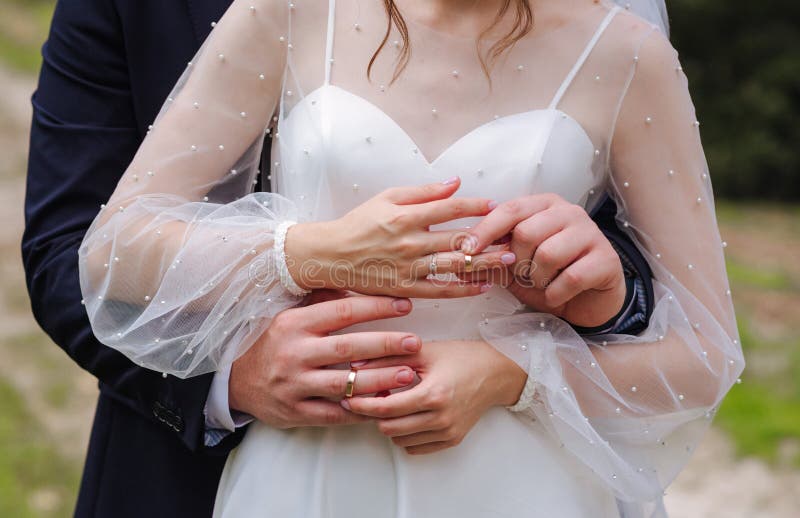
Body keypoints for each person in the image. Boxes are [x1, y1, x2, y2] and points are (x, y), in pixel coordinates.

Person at [23, 0, 655, 516]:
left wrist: (573, 323)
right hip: (212, 469)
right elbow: (72, 251)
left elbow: (625, 244)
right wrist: (232, 374)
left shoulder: (610, 38)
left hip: (513, 465)